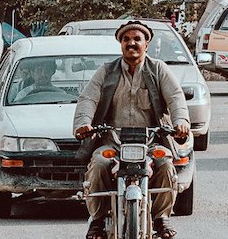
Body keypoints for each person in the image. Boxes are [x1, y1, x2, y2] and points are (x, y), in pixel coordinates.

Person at [73, 19, 190, 239]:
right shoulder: (107, 71)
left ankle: (161, 218)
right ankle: (97, 221)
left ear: (147, 43)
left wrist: (181, 121)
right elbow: (88, 98)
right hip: (113, 140)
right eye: (126, 39)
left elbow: (176, 98)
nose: (131, 43)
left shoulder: (158, 69)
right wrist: (83, 123)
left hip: (151, 140)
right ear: (120, 44)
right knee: (98, 163)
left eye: (137, 39)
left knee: (165, 163)